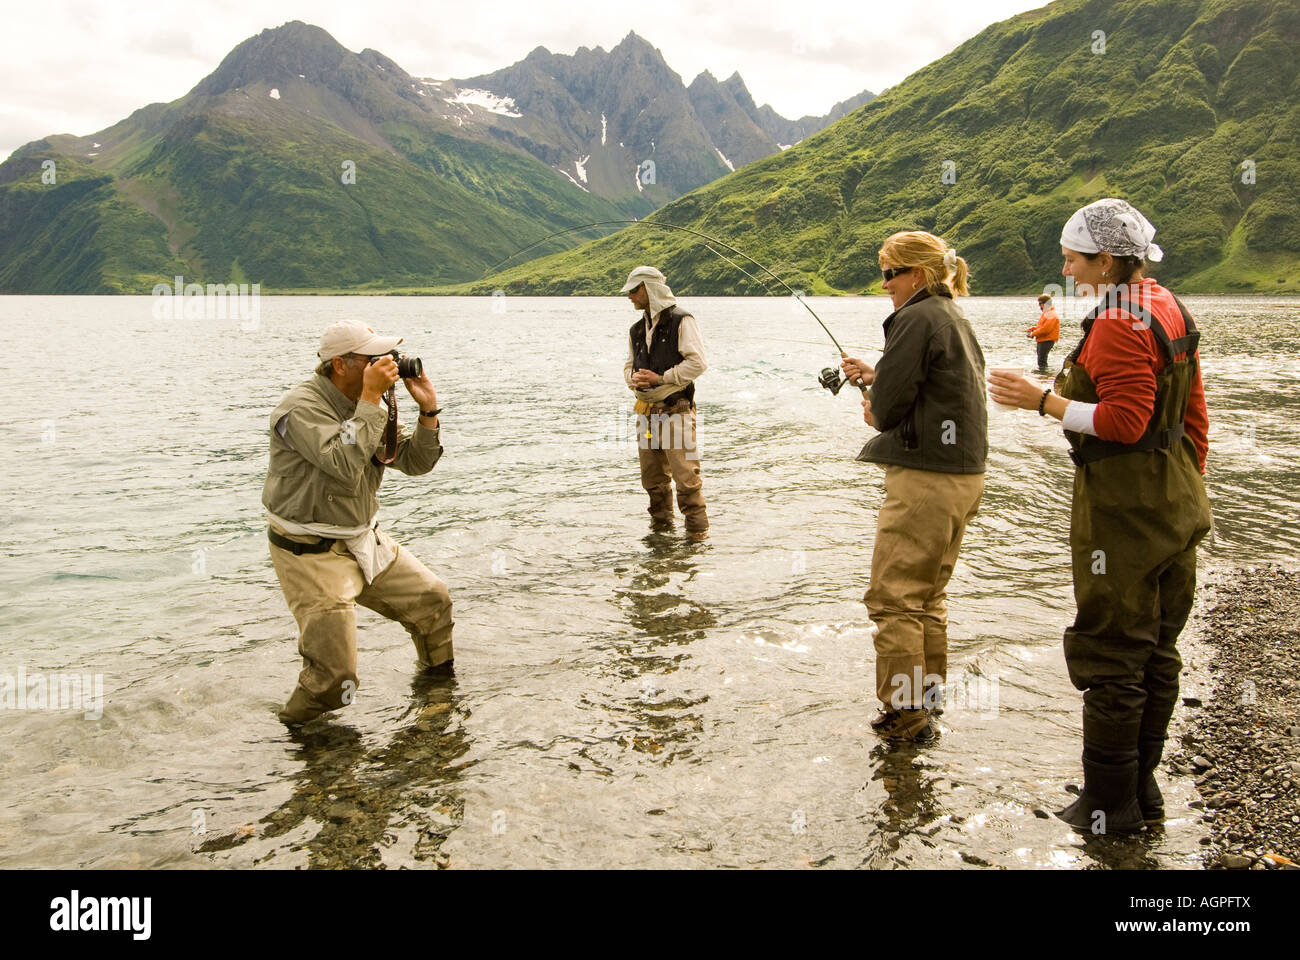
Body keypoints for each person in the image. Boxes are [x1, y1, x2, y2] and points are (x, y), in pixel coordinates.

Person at [988, 198, 1211, 834]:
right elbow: (1193, 414)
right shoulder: (1166, 303)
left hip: (1125, 506)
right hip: (1176, 496)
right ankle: (1139, 790)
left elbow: (1122, 421)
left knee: (1112, 648)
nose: (1066, 267)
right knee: (1158, 647)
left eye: (1073, 258)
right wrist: (1189, 485)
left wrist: (1041, 401)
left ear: (1107, 259)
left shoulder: (1117, 321)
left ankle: (1108, 805)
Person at [263, 320, 454, 726]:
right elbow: (343, 466)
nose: (387, 365)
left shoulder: (371, 407)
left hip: (360, 538)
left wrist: (428, 410)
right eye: (373, 359)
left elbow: (416, 463)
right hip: (310, 550)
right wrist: (370, 399)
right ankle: (293, 735)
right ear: (341, 365)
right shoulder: (300, 408)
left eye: (387, 357)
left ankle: (437, 694)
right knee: (335, 678)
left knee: (432, 602)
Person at [841, 232, 987, 743]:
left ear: (918, 276)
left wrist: (871, 406)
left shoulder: (916, 317)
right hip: (964, 475)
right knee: (927, 595)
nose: (884, 285)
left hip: (927, 476)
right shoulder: (950, 317)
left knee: (894, 598)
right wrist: (877, 373)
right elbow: (933, 385)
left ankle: (904, 717)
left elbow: (885, 412)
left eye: (890, 274)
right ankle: (928, 700)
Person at [621, 265, 709, 539]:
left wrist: (659, 379)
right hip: (645, 414)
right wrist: (633, 379)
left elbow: (698, 364)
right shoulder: (636, 329)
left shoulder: (682, 321)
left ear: (648, 288)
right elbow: (627, 365)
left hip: (677, 412)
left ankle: (697, 538)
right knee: (652, 481)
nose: (630, 297)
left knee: (687, 480)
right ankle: (661, 536)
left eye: (634, 291)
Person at [1026, 294, 1061, 373]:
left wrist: (1033, 334)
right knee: (1041, 361)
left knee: (1041, 362)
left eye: (1040, 304)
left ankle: (1043, 376)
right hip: (1043, 340)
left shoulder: (1051, 314)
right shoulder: (1047, 314)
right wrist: (1033, 329)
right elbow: (1042, 327)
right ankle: (1044, 376)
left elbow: (1045, 330)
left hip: (1046, 341)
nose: (1039, 307)